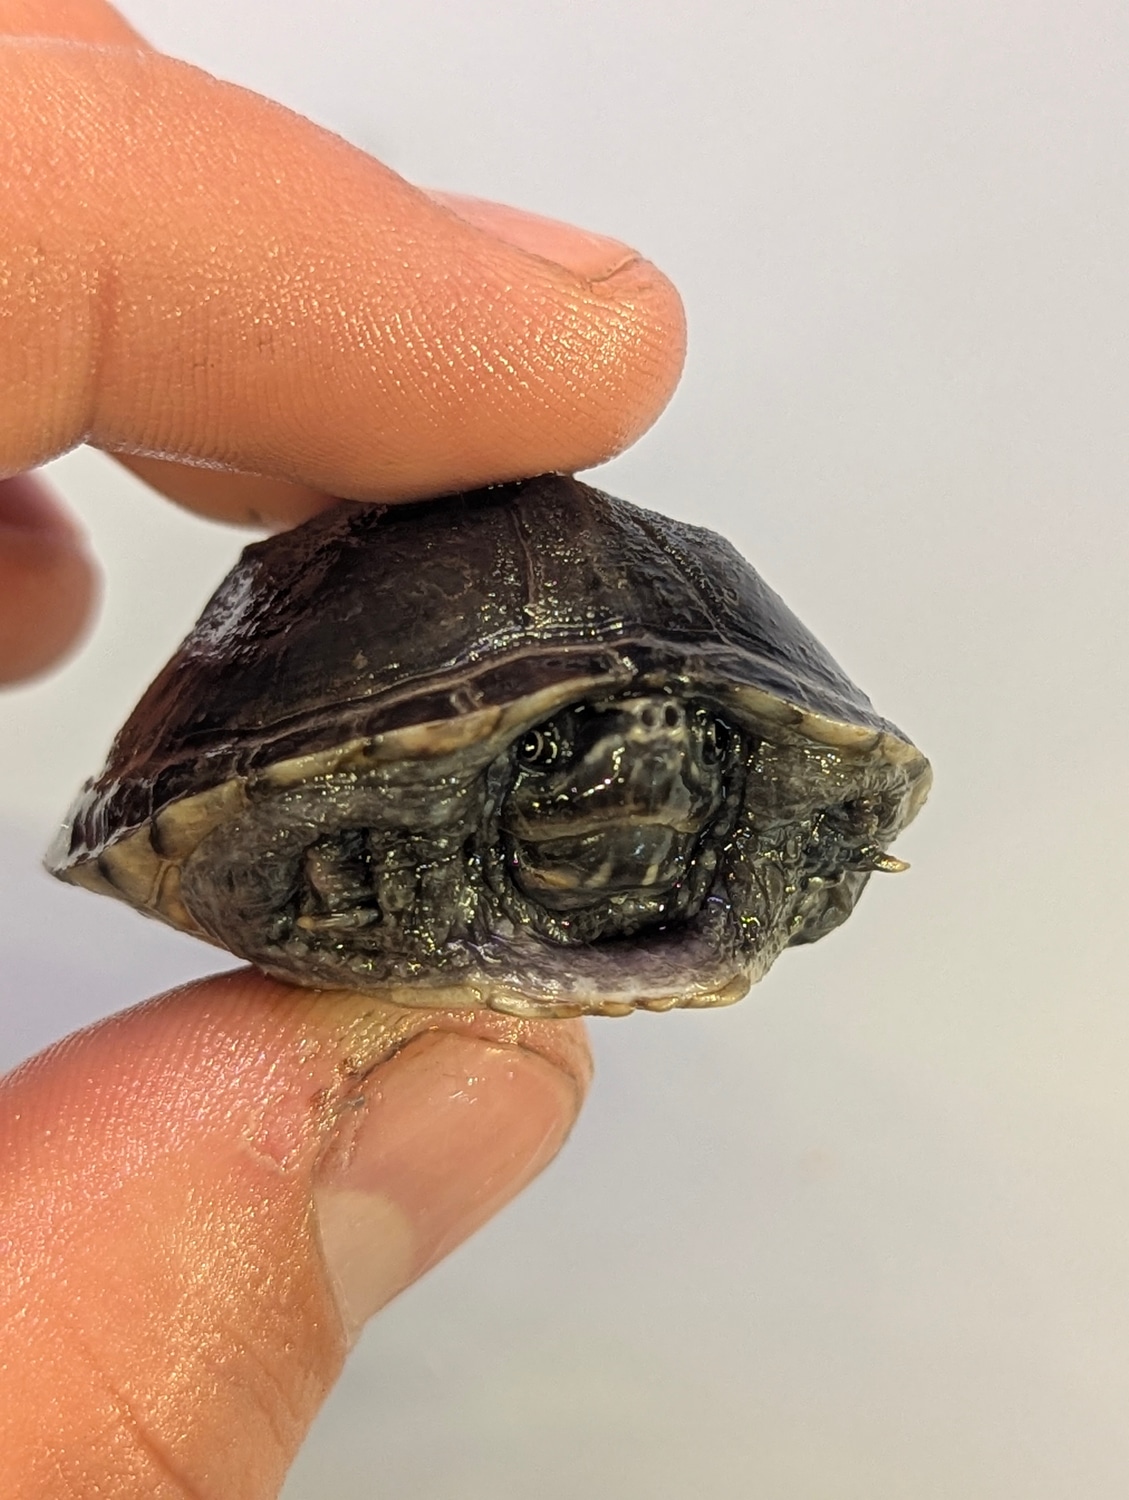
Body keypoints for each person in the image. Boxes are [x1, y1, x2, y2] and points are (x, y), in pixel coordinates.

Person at [0, 1, 686, 1493]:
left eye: (675, 776)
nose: (639, 788)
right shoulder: (417, 806)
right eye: (586, 762)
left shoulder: (711, 812)